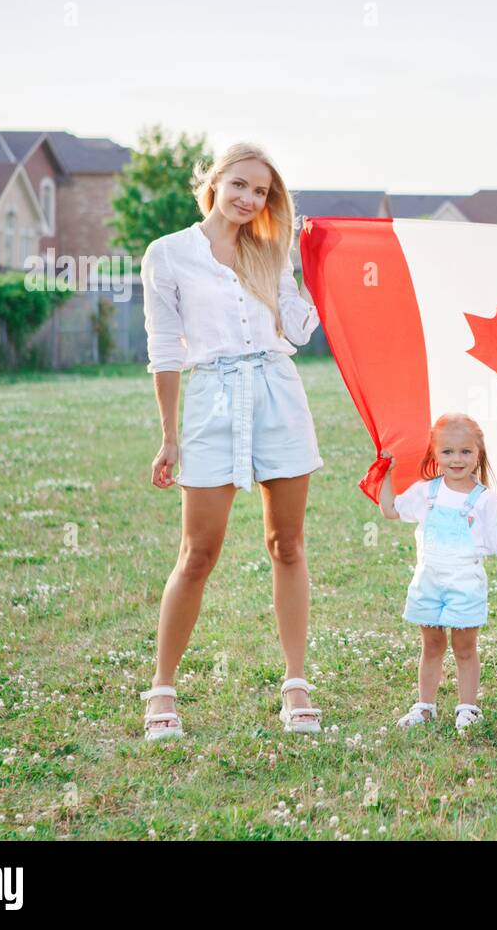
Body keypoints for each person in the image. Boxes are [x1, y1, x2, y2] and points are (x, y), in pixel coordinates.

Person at [139, 142, 325, 740]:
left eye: (262, 192)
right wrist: (170, 437)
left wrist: (302, 266)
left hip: (277, 391)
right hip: (212, 399)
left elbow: (295, 329)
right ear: (214, 182)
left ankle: (296, 684)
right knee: (197, 554)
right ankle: (162, 691)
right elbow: (165, 351)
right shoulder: (167, 255)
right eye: (240, 185)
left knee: (287, 544)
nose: (249, 199)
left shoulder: (270, 251)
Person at [377, 414, 497, 732]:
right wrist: (386, 474)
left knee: (464, 647)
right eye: (447, 452)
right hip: (429, 583)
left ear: (478, 454)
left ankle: (468, 708)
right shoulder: (425, 492)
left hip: (465, 585)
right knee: (431, 645)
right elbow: (390, 510)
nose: (456, 459)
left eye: (465, 452)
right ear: (434, 454)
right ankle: (425, 706)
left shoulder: (484, 500)